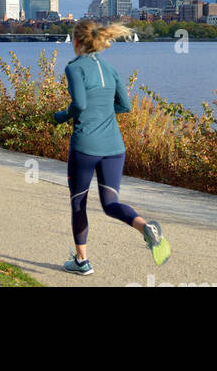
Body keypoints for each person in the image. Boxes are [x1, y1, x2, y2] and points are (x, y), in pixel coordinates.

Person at [51, 20, 170, 275]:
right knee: (110, 202)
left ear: (76, 42)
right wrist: (104, 111)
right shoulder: (110, 68)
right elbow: (125, 106)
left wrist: (61, 116)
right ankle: (144, 227)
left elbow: (80, 105)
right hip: (114, 147)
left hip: (85, 146)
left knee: (78, 203)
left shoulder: (74, 68)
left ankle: (82, 262)